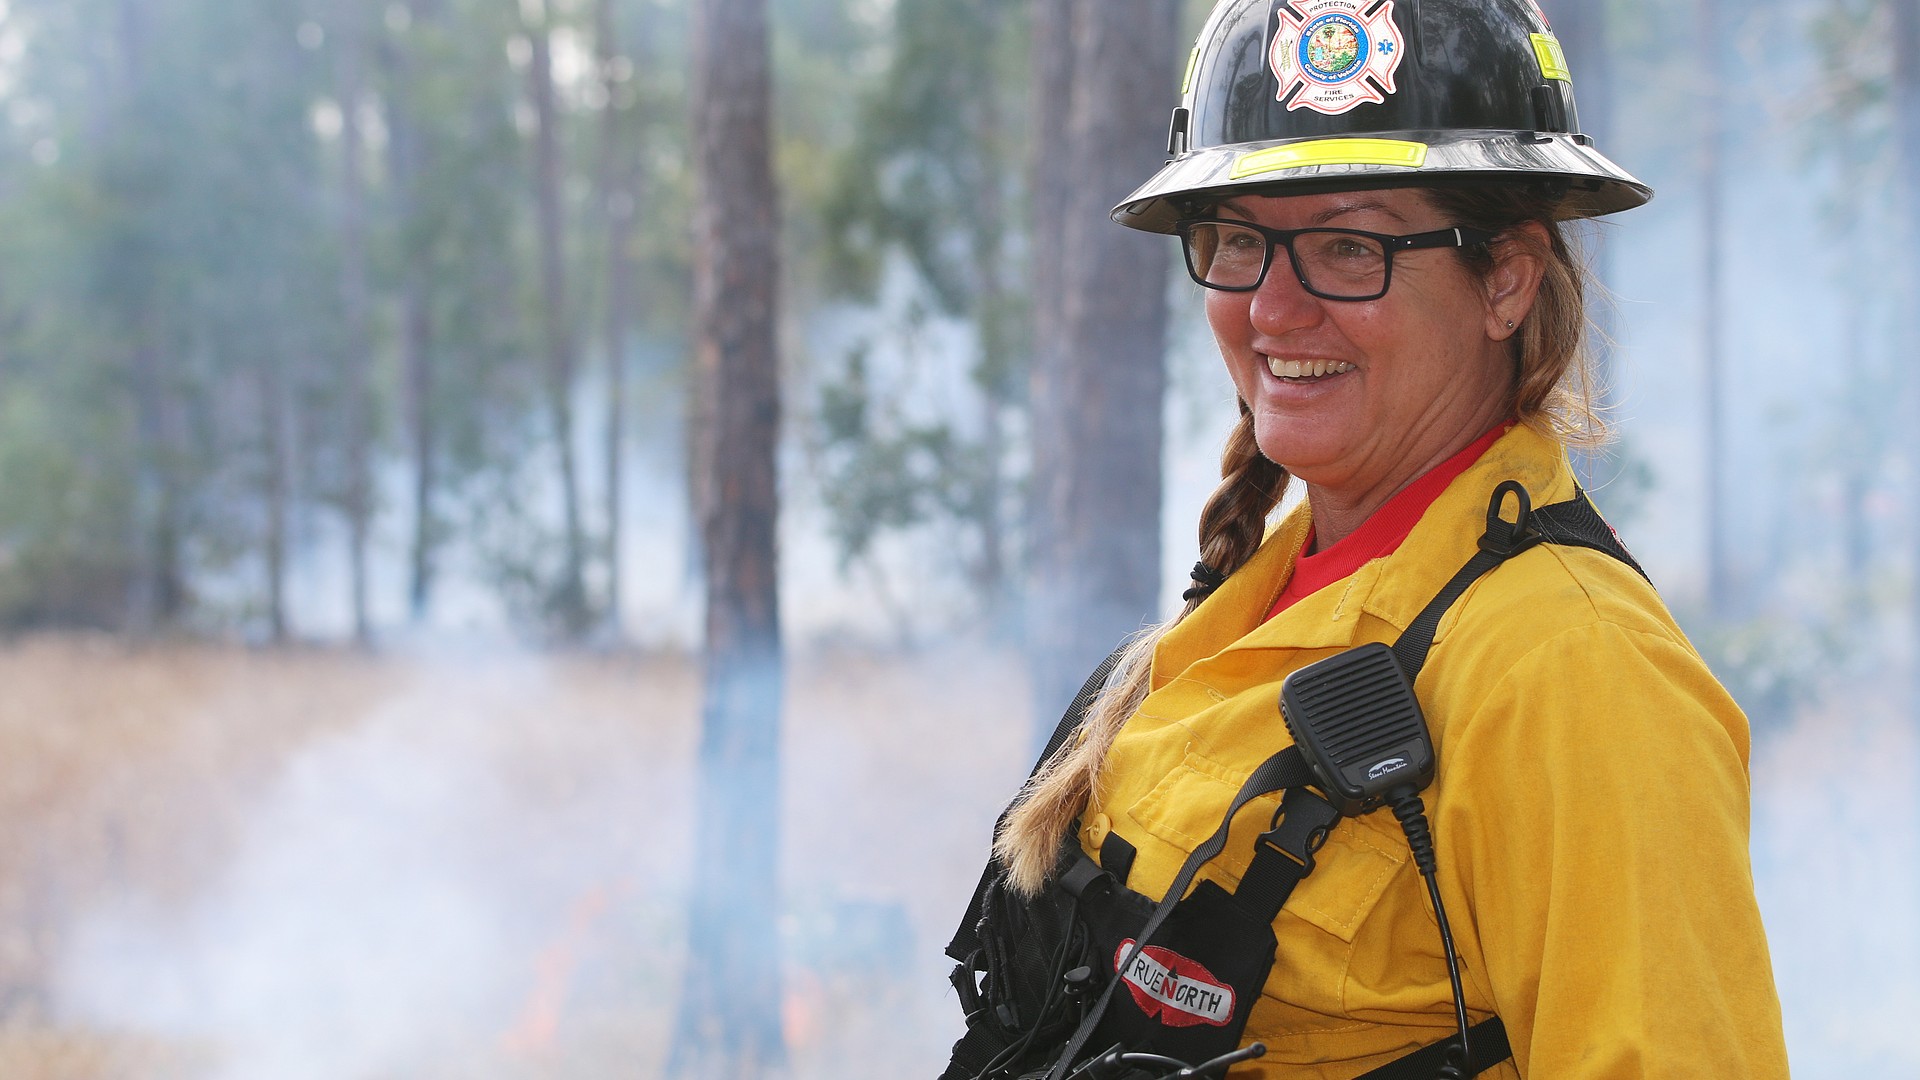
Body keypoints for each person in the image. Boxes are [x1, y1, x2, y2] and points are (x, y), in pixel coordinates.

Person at [940, 1, 1790, 1078]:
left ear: (1508, 278)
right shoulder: (1249, 610)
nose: (1272, 310)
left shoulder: (1574, 672)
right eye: (1241, 241)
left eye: (1348, 248)